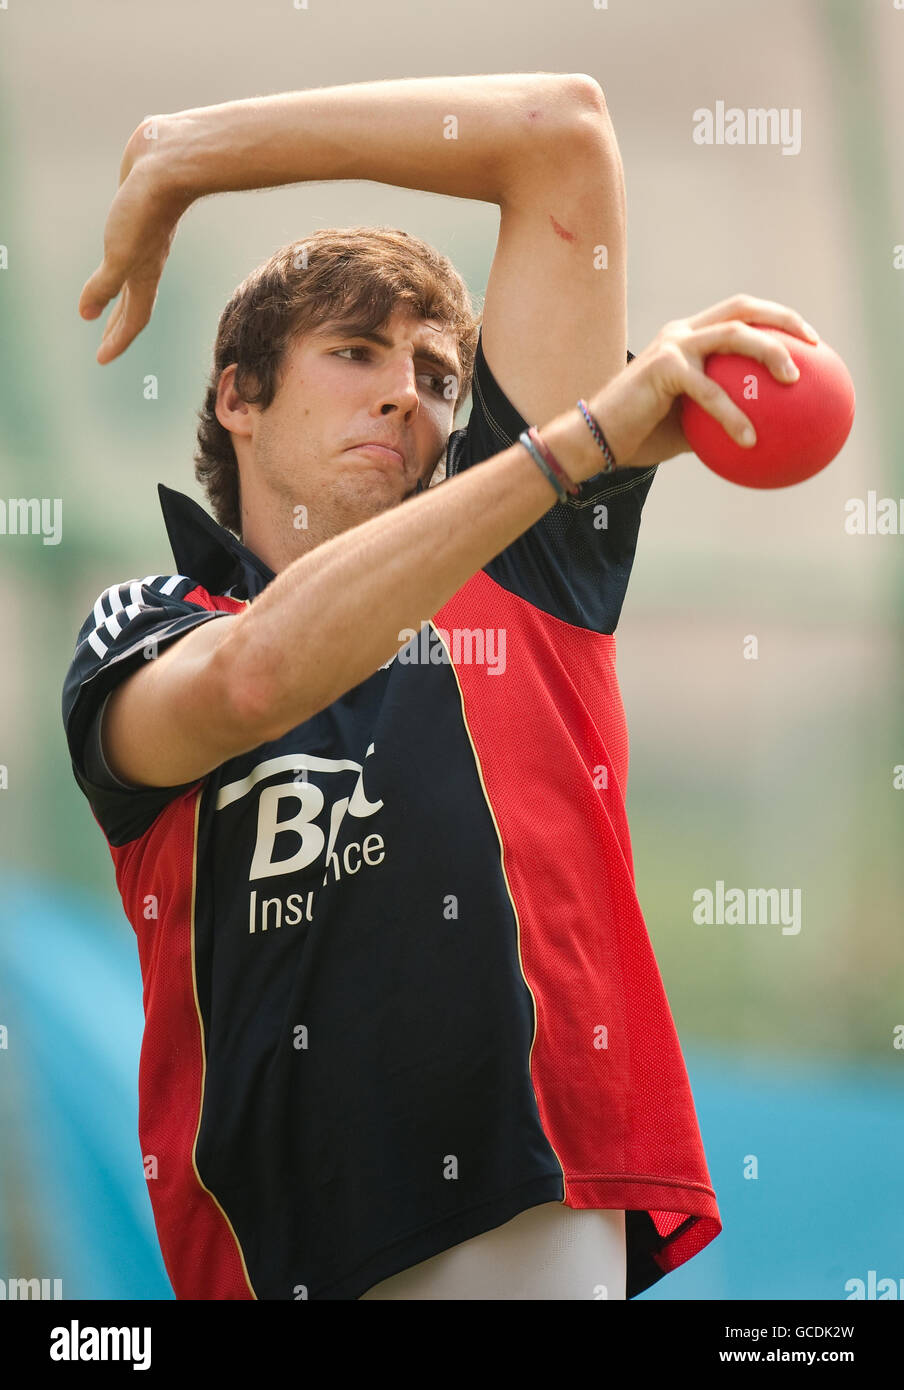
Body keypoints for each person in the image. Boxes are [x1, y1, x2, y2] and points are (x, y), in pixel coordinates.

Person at [62, 74, 817, 1300]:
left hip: (534, 1212)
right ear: (236, 399)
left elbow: (563, 132)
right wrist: (580, 438)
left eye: (432, 371)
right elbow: (255, 680)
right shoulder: (145, 627)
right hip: (280, 1265)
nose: (406, 391)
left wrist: (201, 151)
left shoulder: (523, 551)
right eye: (355, 353)